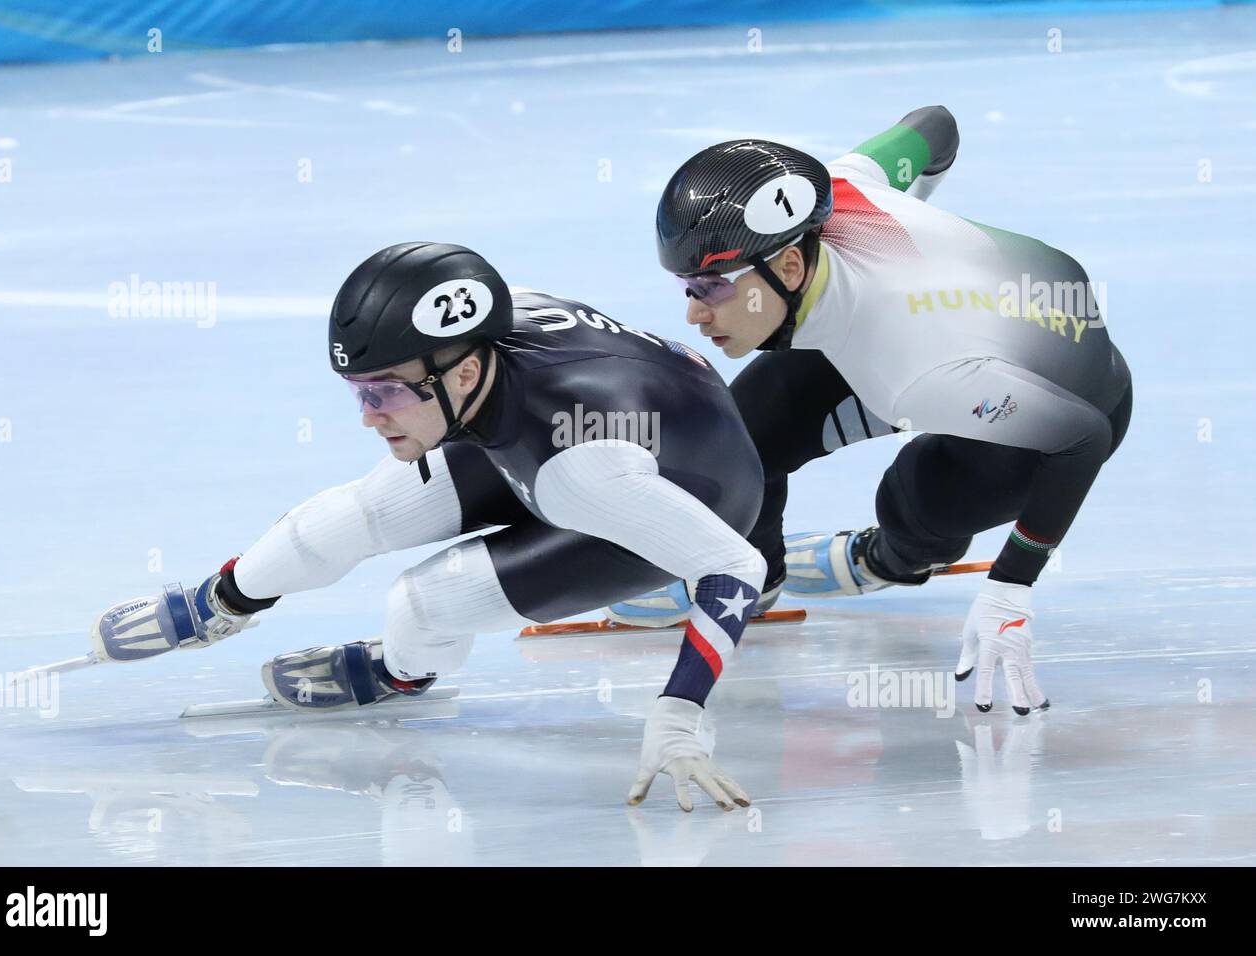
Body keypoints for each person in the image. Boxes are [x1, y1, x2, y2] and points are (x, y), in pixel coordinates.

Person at [90, 241, 771, 812]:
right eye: (359, 393)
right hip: (578, 428)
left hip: (668, 496)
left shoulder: (582, 470)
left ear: (465, 370)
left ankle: (403, 674)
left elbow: (737, 566)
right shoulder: (480, 339)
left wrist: (681, 716)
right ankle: (223, 602)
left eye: (383, 393)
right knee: (357, 514)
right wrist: (233, 595)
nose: (368, 416)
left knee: (422, 604)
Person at [610, 107, 1132, 717]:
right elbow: (935, 125)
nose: (694, 315)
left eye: (712, 288)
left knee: (920, 499)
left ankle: (893, 558)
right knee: (739, 437)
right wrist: (921, 235)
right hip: (954, 335)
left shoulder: (912, 374)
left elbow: (1082, 438)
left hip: (1055, 412)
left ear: (788, 266)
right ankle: (758, 576)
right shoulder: (840, 190)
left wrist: (1011, 586)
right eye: (688, 288)